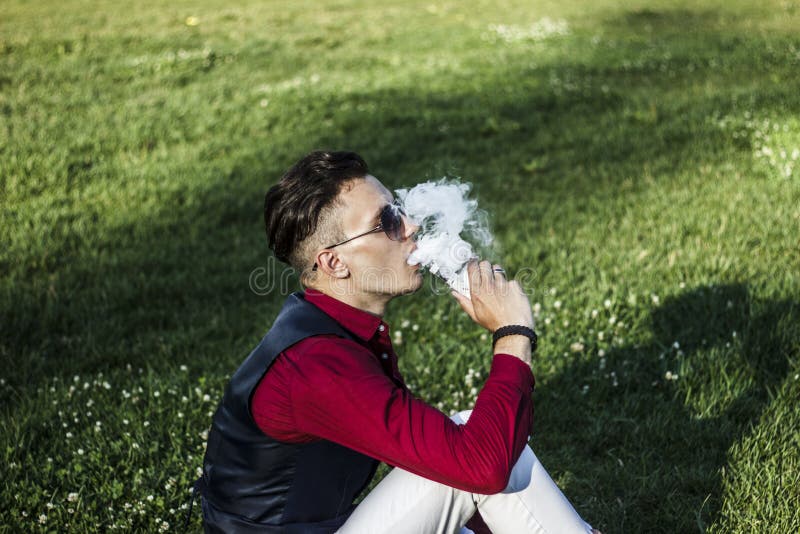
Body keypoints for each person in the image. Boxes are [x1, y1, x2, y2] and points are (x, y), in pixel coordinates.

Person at [195, 151, 601, 534]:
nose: (410, 226)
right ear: (334, 263)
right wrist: (513, 335)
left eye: (399, 208)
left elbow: (446, 463)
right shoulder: (318, 366)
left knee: (485, 447)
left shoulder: (334, 329)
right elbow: (482, 468)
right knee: (483, 451)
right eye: (386, 220)